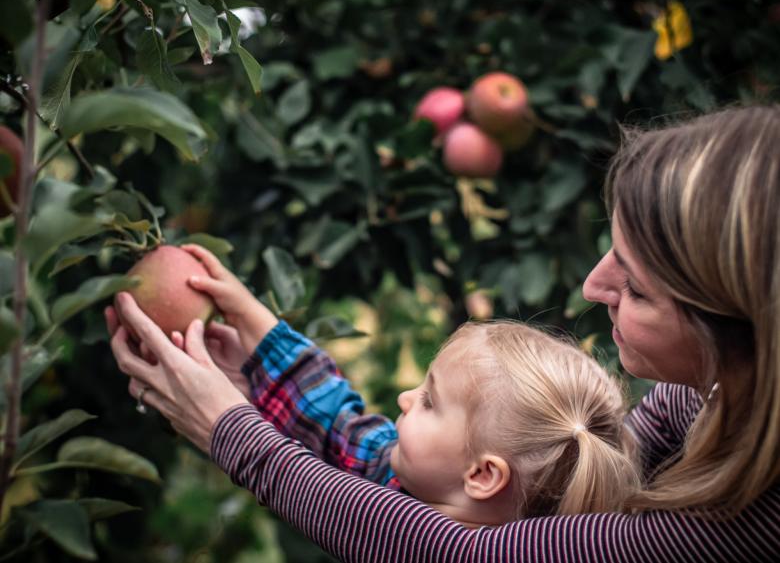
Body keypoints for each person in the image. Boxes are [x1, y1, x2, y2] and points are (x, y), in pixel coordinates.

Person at [109, 104, 780, 562]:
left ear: (736, 325)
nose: (593, 286)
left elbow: (454, 551)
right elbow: (375, 463)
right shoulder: (709, 399)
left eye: (636, 287)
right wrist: (264, 351)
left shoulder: (749, 526)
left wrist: (233, 432)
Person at [110, 244, 641, 526]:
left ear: (481, 474)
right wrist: (257, 330)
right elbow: (343, 430)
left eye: (430, 402)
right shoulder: (413, 484)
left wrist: (227, 424)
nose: (407, 398)